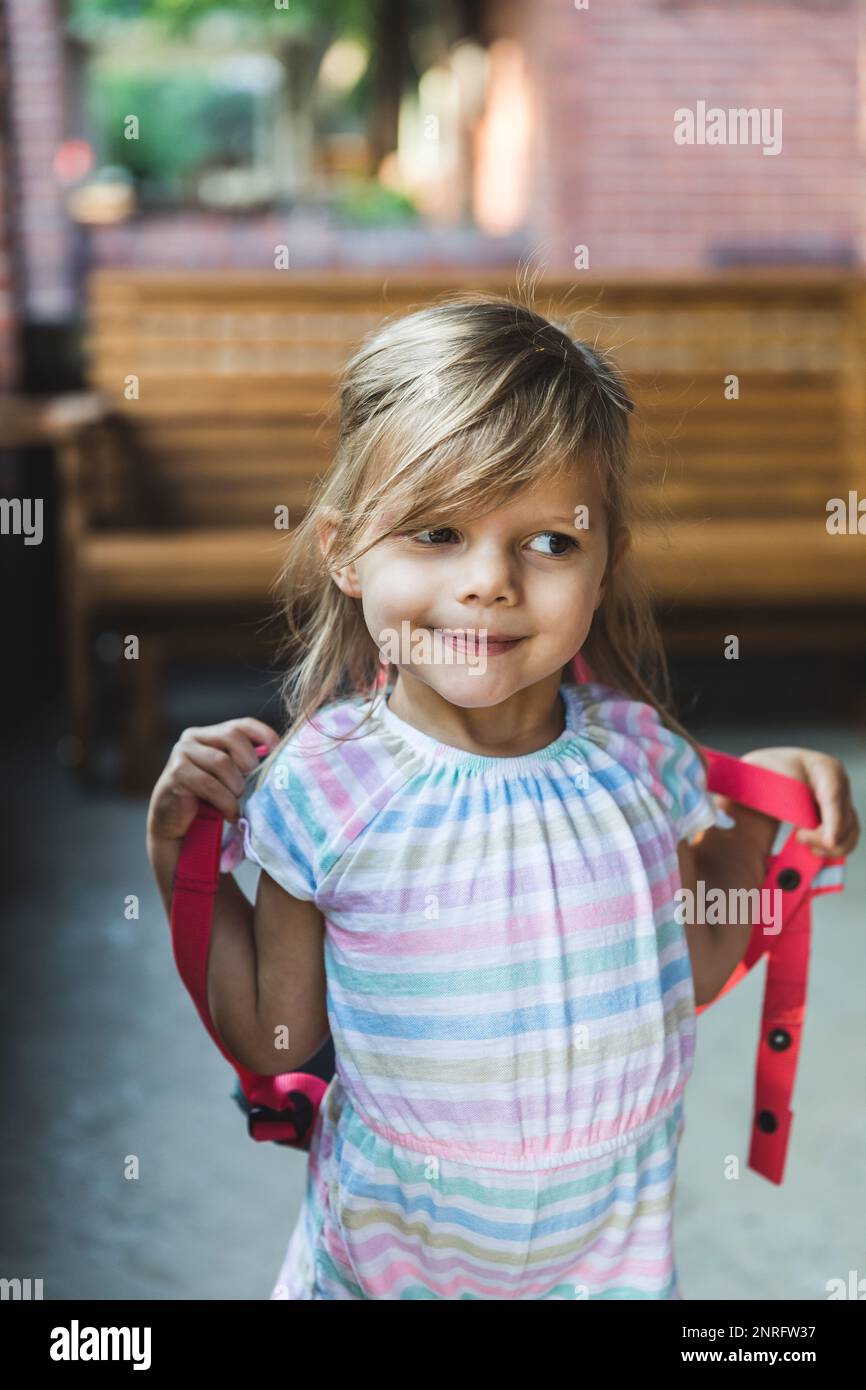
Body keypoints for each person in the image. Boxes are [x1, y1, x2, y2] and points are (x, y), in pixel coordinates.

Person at [147, 294, 860, 1300]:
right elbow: (277, 1034)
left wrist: (759, 804)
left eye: (551, 542)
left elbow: (692, 965)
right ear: (344, 550)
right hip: (390, 1257)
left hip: (606, 1261)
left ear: (606, 564)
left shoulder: (640, 759)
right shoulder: (326, 784)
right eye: (437, 531)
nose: (490, 581)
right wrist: (177, 854)